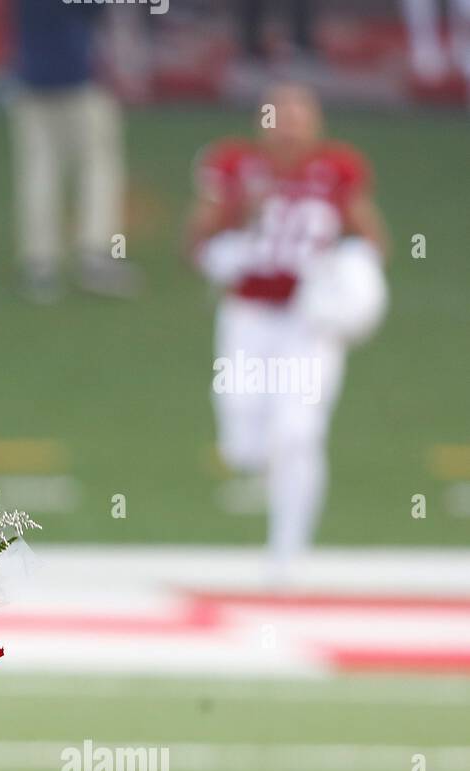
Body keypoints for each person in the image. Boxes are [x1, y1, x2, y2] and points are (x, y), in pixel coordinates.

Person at [187, 83, 388, 576]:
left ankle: (286, 552)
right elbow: (197, 238)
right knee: (244, 442)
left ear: (316, 123)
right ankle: (263, 476)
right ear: (263, 121)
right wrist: (218, 255)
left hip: (307, 322)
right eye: (282, 117)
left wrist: (351, 288)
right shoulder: (235, 166)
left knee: (297, 433)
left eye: (301, 117)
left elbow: (371, 242)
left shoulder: (337, 170)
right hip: (248, 316)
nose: (291, 128)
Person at [8, 0, 136, 302]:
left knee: (39, 171)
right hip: (77, 74)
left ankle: (41, 264)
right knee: (99, 167)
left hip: (32, 74)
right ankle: (95, 254)